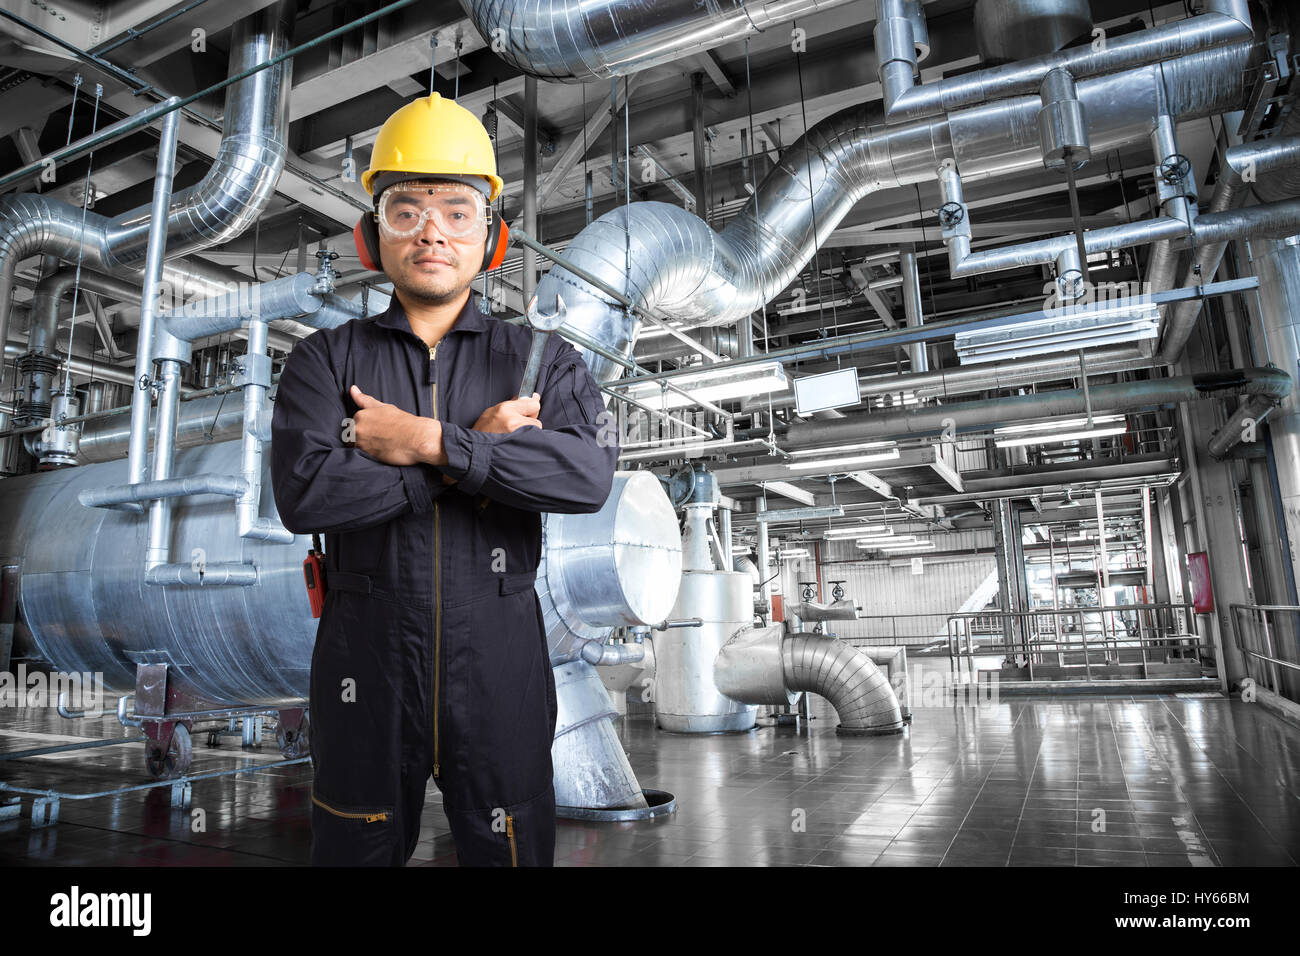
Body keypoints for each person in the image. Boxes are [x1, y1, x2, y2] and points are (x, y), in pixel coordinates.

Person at [270, 92, 618, 867]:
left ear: (489, 235)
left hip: (501, 680)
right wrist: (469, 458)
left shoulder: (540, 361)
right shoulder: (324, 362)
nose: (432, 230)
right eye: (406, 209)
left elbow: (586, 474)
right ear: (372, 233)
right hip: (365, 676)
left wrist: (424, 442)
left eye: (458, 210)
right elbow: (306, 496)